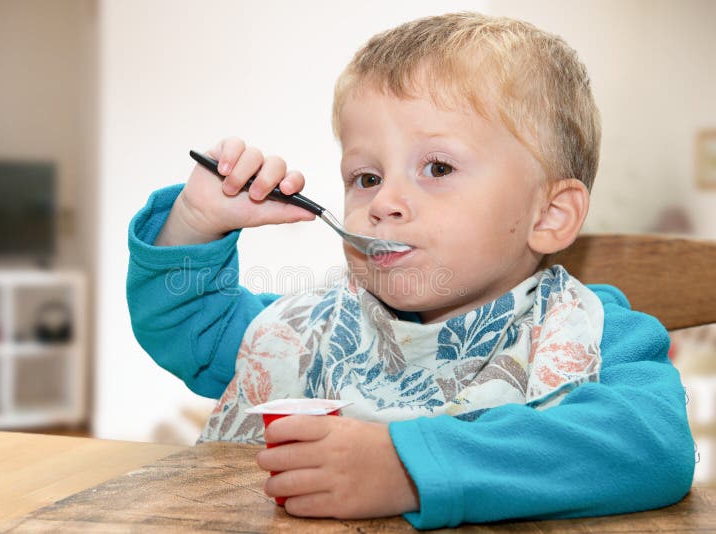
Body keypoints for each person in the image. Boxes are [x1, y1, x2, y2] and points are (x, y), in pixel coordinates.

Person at [127, 12, 694, 529]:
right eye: (366, 178)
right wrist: (196, 222)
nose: (383, 202)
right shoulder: (313, 331)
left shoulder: (589, 335)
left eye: (437, 167)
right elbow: (190, 328)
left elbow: (649, 445)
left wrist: (409, 467)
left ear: (548, 214)